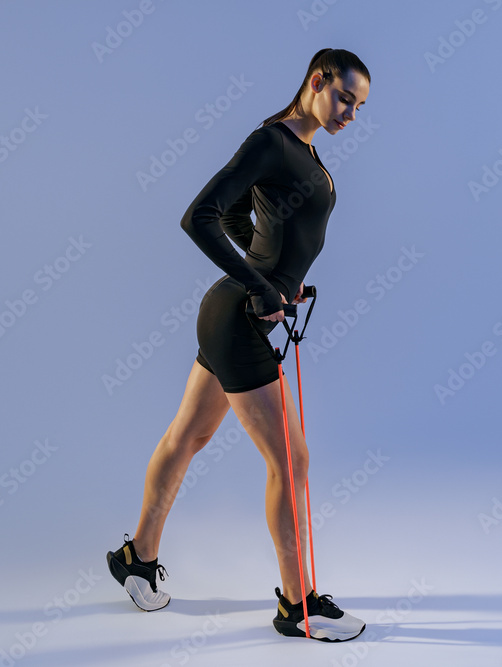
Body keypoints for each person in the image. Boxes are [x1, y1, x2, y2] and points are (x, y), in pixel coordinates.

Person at [107, 48, 371, 642]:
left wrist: (277, 278)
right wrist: (260, 282)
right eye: (344, 98)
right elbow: (200, 215)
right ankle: (297, 605)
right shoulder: (272, 141)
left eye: (359, 106)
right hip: (239, 320)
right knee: (292, 461)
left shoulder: (301, 149)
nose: (350, 114)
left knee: (189, 436)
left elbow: (239, 219)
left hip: (239, 312)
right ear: (316, 81)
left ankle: (135, 560)